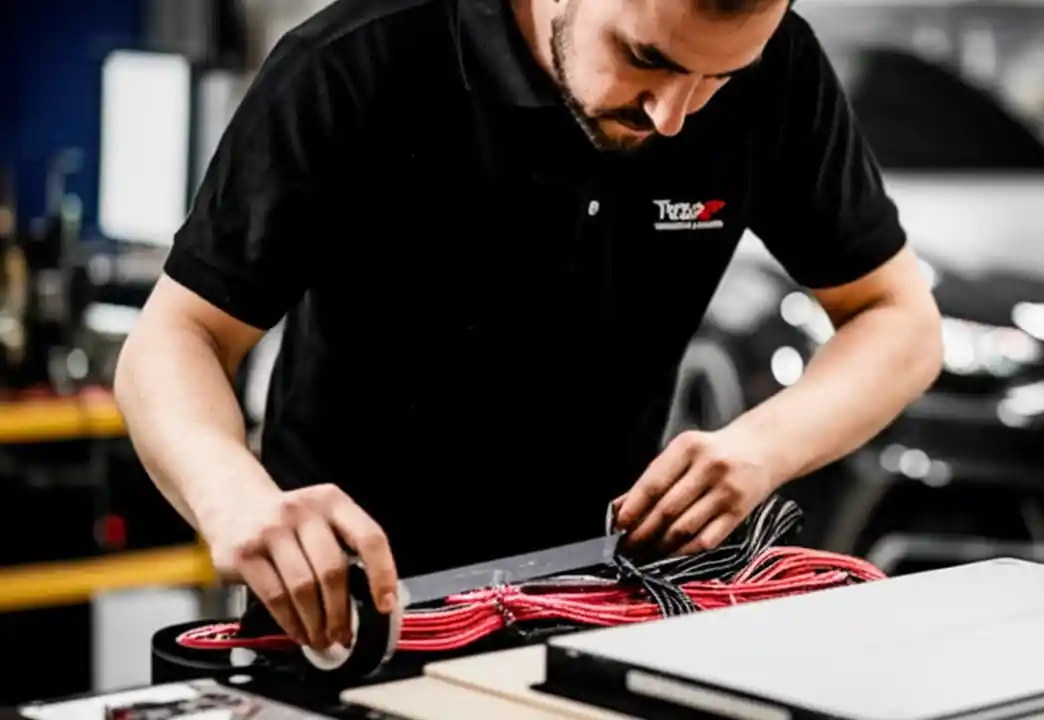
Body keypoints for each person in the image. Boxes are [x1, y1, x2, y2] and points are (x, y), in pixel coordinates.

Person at [113, 0, 943, 654]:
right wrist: (233, 497)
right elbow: (179, 336)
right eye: (643, 58)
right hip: (352, 623)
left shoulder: (778, 69)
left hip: (601, 612)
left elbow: (899, 320)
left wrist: (763, 447)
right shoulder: (357, 62)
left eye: (717, 81)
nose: (672, 117)